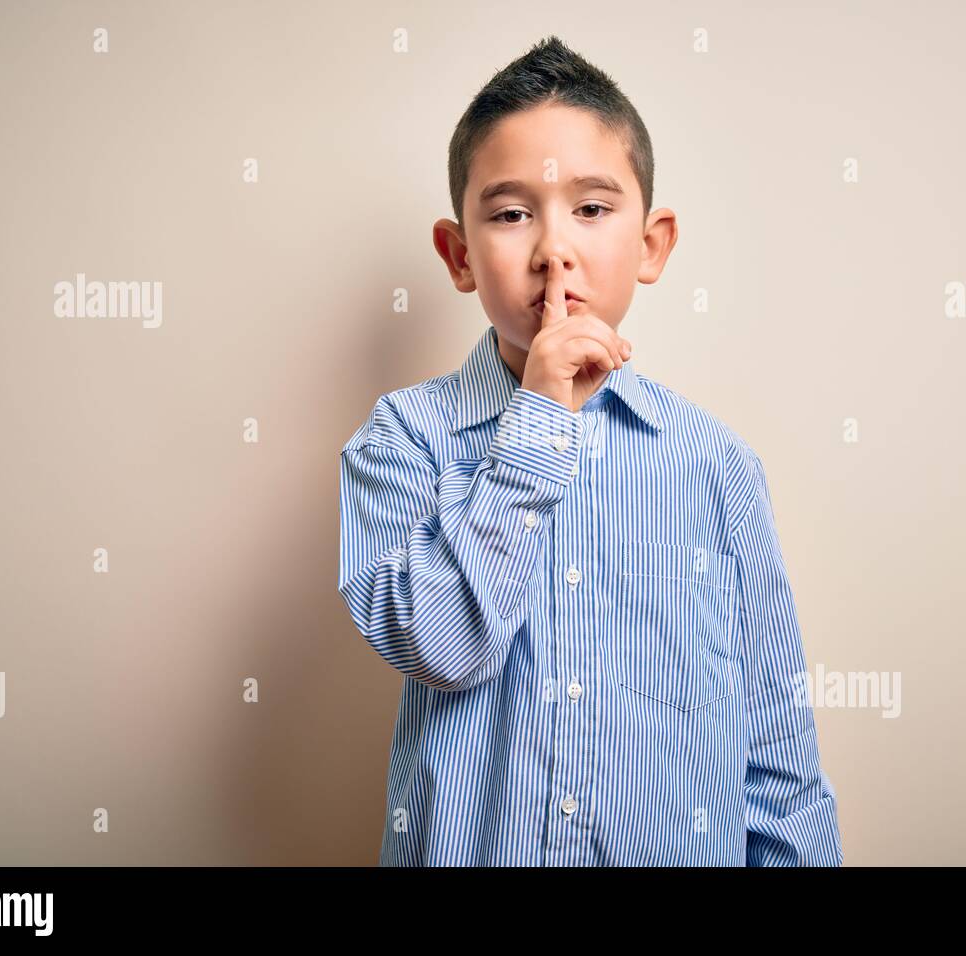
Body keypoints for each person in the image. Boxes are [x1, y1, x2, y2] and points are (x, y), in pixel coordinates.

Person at [338, 35, 842, 866]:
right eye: (509, 214)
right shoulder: (400, 441)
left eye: (593, 209)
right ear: (459, 256)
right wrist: (537, 416)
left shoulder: (716, 466)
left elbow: (777, 749)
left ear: (652, 244)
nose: (553, 250)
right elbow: (438, 645)